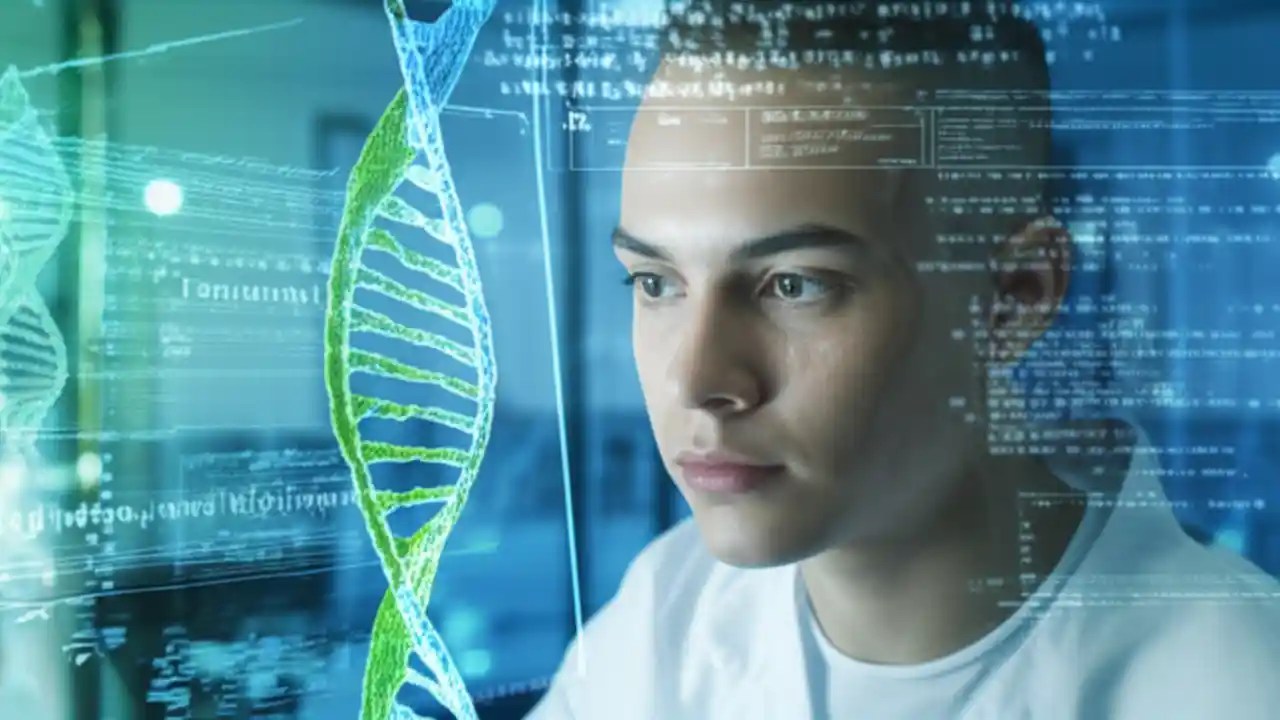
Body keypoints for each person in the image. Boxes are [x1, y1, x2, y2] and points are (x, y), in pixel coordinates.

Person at [527, 3, 1280, 718]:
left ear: (1012, 297)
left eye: (795, 284)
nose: (695, 381)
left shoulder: (1241, 684)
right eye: (656, 282)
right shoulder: (664, 614)